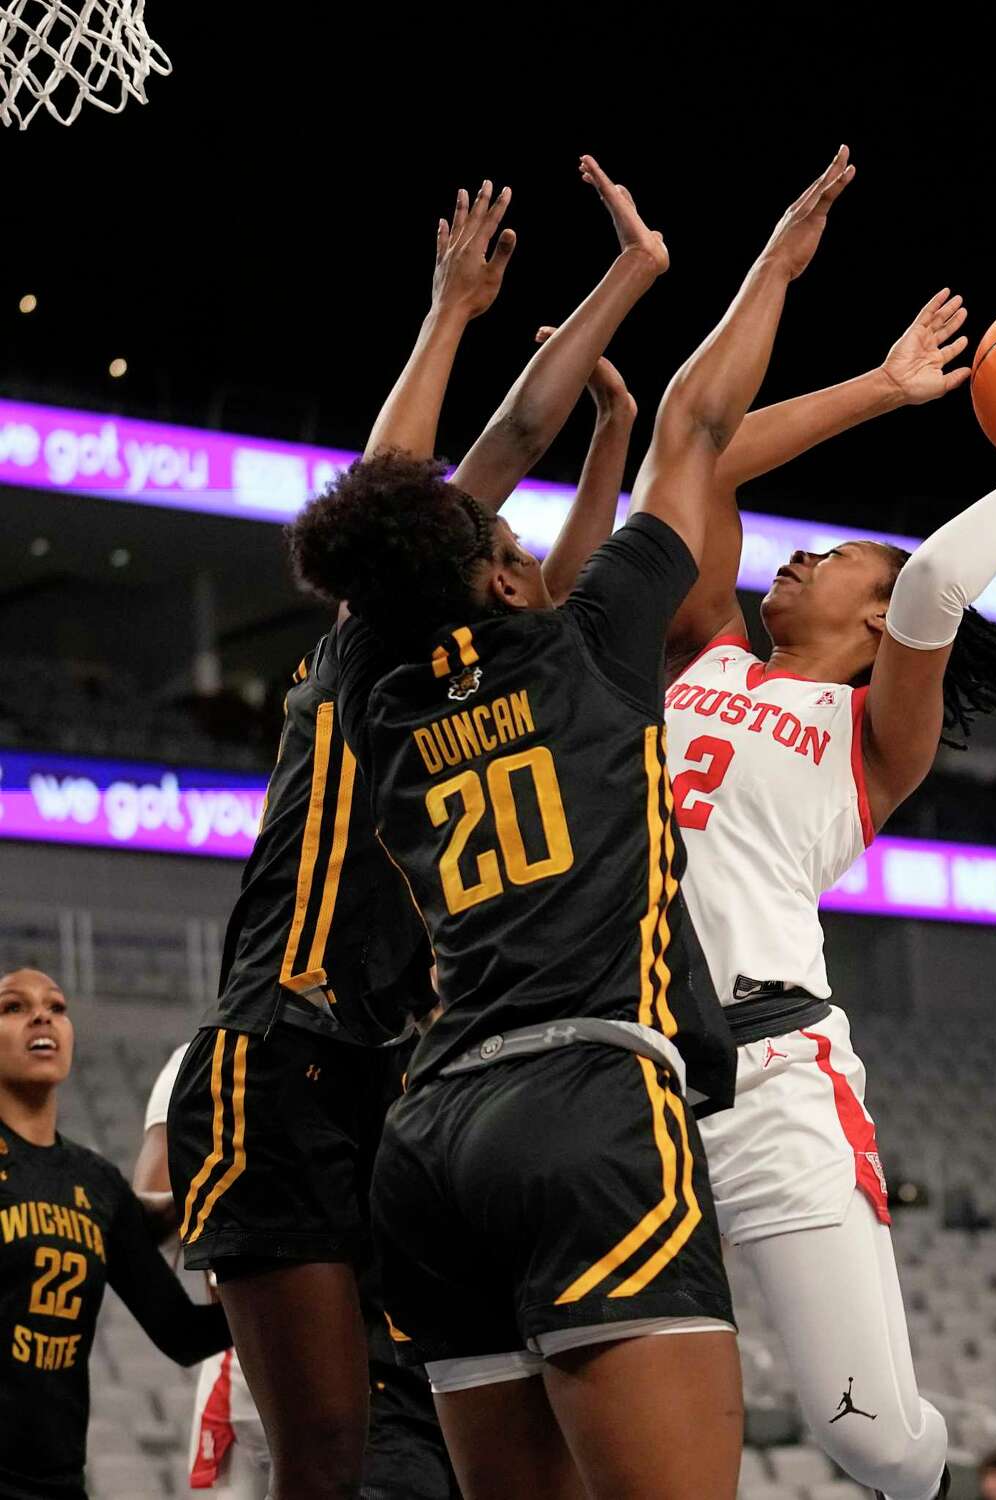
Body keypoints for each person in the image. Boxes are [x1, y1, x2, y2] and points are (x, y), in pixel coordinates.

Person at [289, 146, 857, 1500]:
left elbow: (393, 514)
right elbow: (697, 427)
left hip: (433, 1145)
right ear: (500, 572)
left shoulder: (373, 684)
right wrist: (771, 264)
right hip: (591, 1105)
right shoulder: (591, 643)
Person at [168, 165, 660, 1500]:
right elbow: (472, 445)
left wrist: (630, 295)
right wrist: (461, 311)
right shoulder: (368, 644)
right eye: (470, 529)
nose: (488, 524)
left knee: (428, 1435)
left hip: (394, 1074)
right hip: (275, 1052)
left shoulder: (507, 674)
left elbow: (552, 559)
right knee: (323, 1453)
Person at [661, 257, 996, 1500]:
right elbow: (707, 464)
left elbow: (937, 582)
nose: (799, 556)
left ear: (874, 620)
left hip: (773, 1082)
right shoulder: (704, 652)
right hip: (629, 1079)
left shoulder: (876, 732)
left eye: (830, 556)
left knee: (868, 1438)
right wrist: (881, 388)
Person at [0, 969, 230, 1500]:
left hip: (58, 1482)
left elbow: (181, 1334)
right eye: (15, 1007)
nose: (43, 1016)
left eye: (57, 1007)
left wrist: (297, 1300)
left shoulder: (97, 1183)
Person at [137, 1042, 271, 1498]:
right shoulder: (201, 1057)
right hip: (245, 1344)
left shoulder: (387, 1047)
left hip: (366, 1341)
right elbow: (149, 1214)